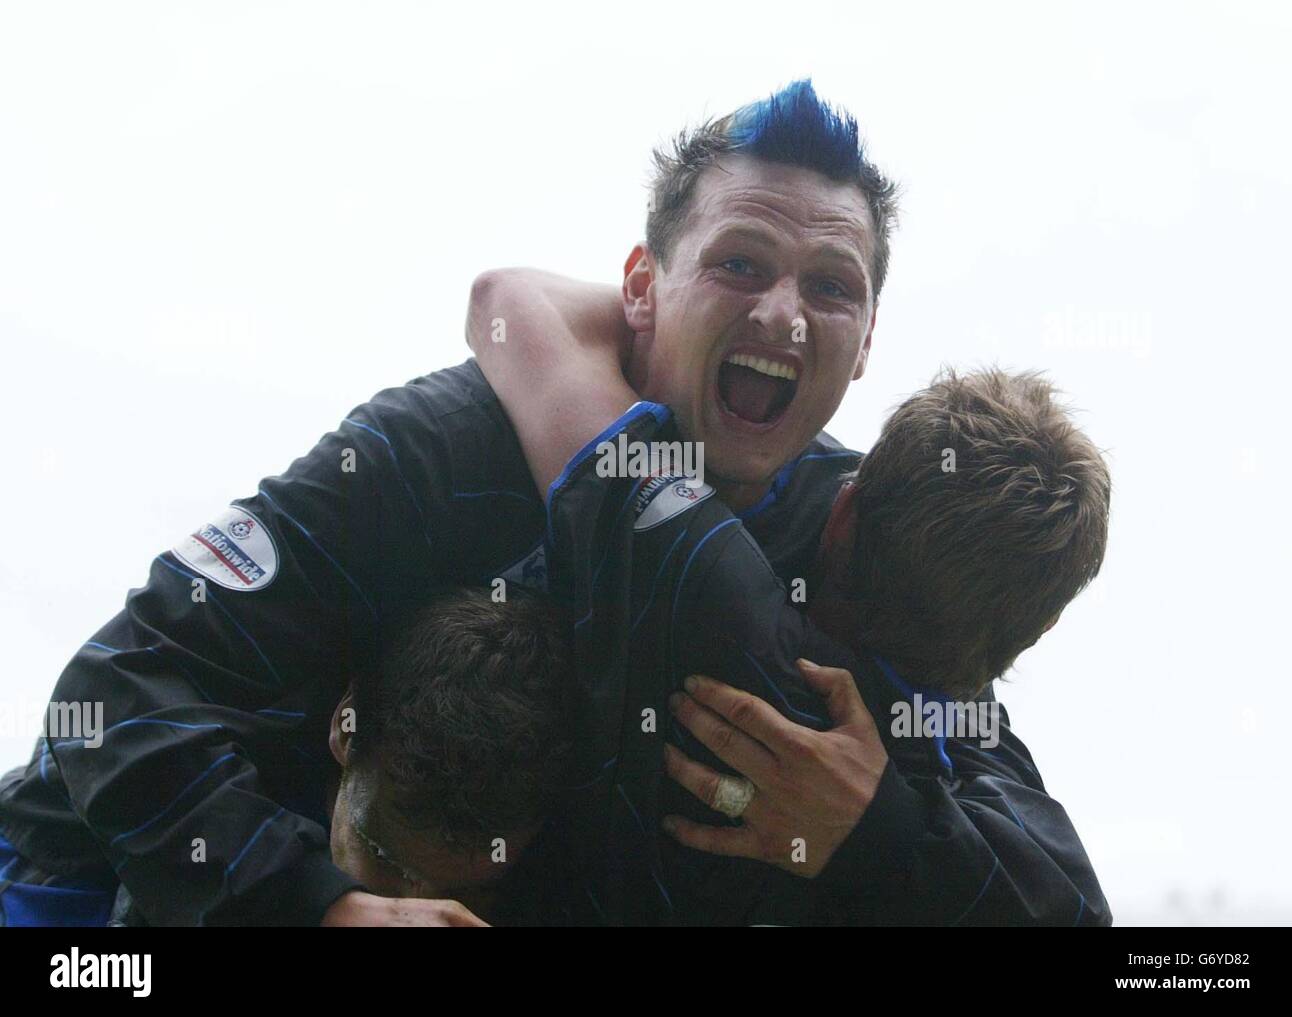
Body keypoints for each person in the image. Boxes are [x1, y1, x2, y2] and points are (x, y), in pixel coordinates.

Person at [0, 79, 1088, 925]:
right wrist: (313, 903)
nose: (784, 315)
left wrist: (880, 828)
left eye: (830, 287)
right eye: (741, 264)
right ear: (640, 290)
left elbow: (1044, 870)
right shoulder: (439, 451)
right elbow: (118, 688)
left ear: (865, 350)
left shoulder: (854, 544)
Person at [468, 288, 1112, 923]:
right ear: (1039, 627)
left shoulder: (706, 581)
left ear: (843, 514)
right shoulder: (945, 786)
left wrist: (679, 299)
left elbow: (509, 300)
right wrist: (881, 831)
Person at [1, 587, 577, 927]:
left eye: (468, 893)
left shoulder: (558, 866)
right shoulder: (209, 789)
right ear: (345, 733)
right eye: (384, 859)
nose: (407, 911)